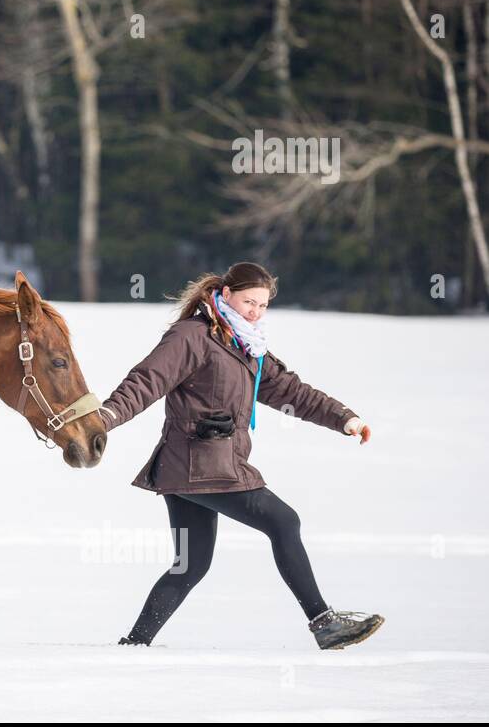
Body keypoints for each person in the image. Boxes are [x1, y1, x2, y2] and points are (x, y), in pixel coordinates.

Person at [98, 261, 384, 650]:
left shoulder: (246, 345)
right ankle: (323, 622)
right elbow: (147, 380)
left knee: (190, 566)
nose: (255, 311)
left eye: (263, 306)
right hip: (203, 465)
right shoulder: (192, 336)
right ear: (226, 294)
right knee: (284, 522)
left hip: (189, 470)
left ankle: (135, 644)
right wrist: (106, 417)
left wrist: (344, 417)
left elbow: (292, 393)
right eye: (249, 301)